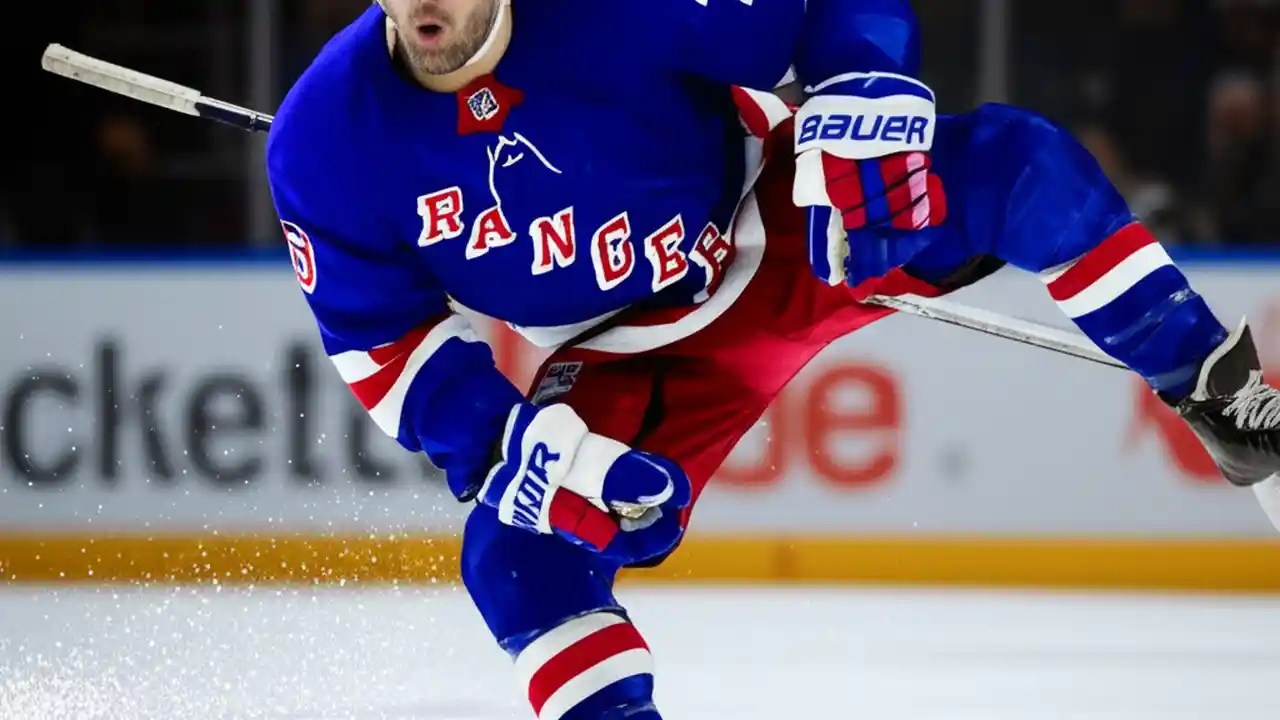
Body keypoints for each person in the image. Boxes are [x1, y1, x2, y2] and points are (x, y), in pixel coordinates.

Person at [265, 1, 1280, 717]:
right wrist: (518, 450)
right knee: (515, 557)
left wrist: (862, 73)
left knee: (1018, 166)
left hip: (790, 219)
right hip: (624, 353)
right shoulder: (321, 143)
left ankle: (1225, 402)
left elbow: (820, 4)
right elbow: (383, 344)